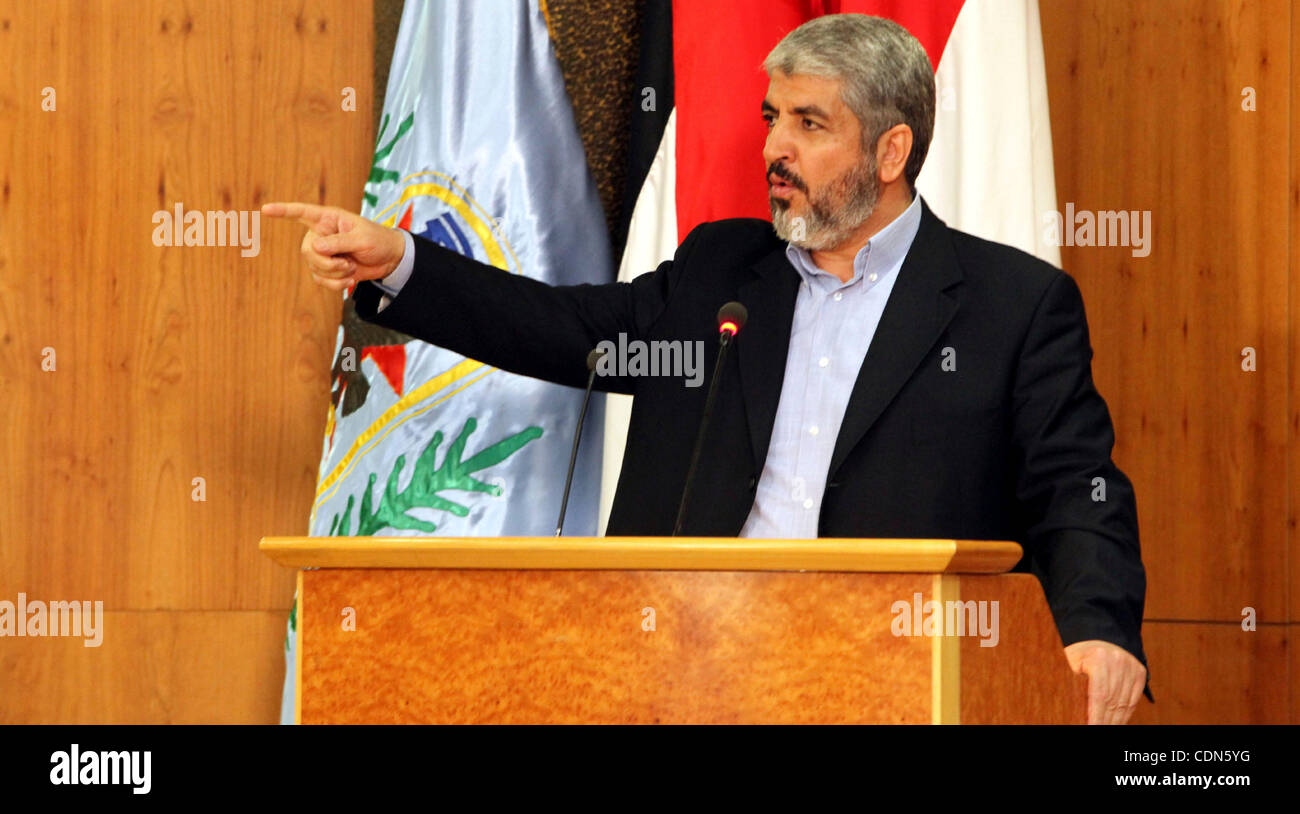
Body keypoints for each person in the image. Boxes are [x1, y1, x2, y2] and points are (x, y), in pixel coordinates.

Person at [264, 14, 1148, 724]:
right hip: (681, 666)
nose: (775, 149)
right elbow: (564, 329)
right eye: (773, 119)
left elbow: (1079, 489)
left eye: (810, 124)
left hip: (890, 675)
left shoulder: (1010, 303)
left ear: (889, 153)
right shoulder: (722, 277)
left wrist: (1099, 631)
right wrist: (403, 264)